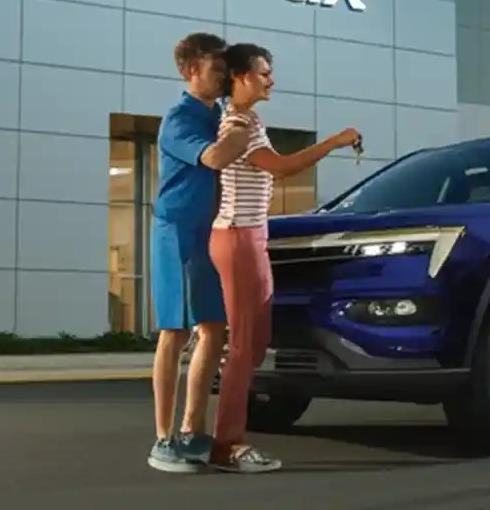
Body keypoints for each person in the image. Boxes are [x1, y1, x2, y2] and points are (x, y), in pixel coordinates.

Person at [208, 42, 361, 473]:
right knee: (244, 345)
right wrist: (334, 141)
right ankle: (226, 446)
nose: (270, 80)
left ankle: (229, 437)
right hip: (238, 236)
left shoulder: (249, 120)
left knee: (255, 342)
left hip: (251, 235)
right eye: (263, 73)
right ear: (240, 77)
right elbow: (281, 166)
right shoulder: (237, 123)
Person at [147, 32, 254, 473]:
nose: (222, 78)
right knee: (174, 331)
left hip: (208, 233)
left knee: (213, 328)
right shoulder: (179, 119)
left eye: (226, 72)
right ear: (191, 70)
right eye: (215, 70)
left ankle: (192, 429)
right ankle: (163, 438)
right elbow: (214, 158)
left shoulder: (218, 115)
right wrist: (242, 129)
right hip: (176, 232)